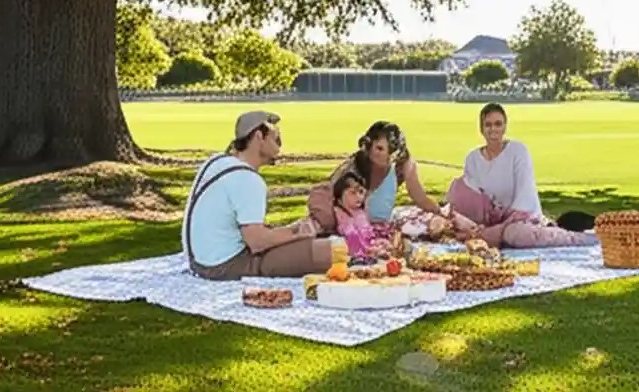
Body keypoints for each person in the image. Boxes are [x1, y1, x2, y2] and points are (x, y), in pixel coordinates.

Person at [181, 111, 332, 280]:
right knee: (326, 251)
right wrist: (298, 234)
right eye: (276, 138)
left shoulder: (217, 161)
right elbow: (257, 242)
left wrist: (292, 230)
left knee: (308, 243)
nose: (280, 146)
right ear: (259, 137)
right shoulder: (248, 179)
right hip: (225, 266)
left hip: (200, 262)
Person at [448, 103, 596, 248]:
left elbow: (525, 195)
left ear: (505, 126)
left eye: (498, 124)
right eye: (488, 125)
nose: (493, 129)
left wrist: (501, 227)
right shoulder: (473, 159)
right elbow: (474, 198)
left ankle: (583, 239)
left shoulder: (518, 151)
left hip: (521, 221)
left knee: (515, 235)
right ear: (481, 129)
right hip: (489, 225)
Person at [306, 120, 445, 235]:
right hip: (351, 231)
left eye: (391, 151)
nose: (385, 156)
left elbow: (419, 197)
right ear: (368, 146)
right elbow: (330, 199)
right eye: (379, 148)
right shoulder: (353, 169)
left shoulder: (401, 165)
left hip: (383, 230)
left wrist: (443, 214)